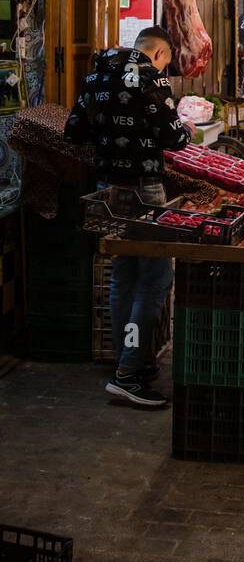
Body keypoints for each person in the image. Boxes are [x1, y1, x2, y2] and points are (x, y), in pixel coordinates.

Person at [63, 26, 192, 408]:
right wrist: (183, 128)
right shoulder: (151, 80)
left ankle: (128, 361)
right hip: (144, 188)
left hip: (109, 189)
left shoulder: (95, 75)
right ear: (161, 54)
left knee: (123, 275)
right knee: (154, 279)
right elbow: (174, 140)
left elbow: (74, 131)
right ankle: (128, 374)